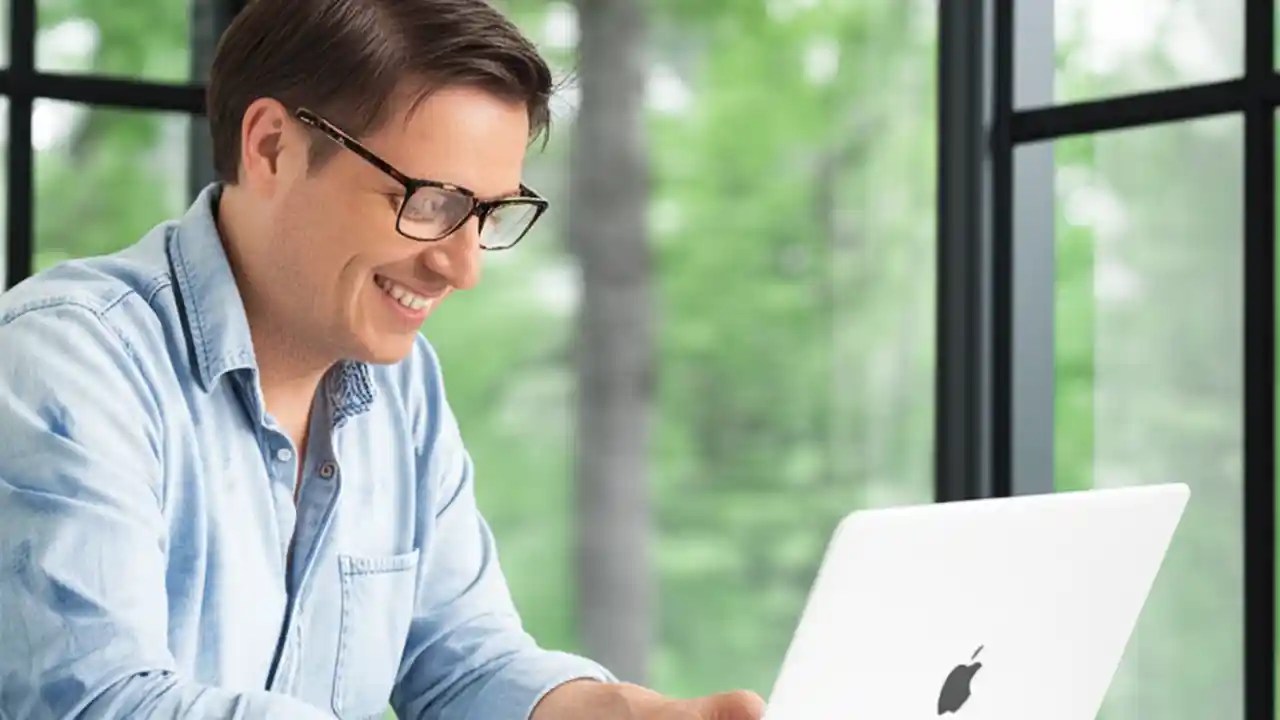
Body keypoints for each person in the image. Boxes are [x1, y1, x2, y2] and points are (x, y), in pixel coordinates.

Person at [0, 0, 767, 718]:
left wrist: (623, 712)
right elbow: (103, 702)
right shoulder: (65, 365)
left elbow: (461, 660)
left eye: (490, 214)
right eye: (432, 202)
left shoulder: (402, 387)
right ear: (271, 147)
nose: (463, 268)